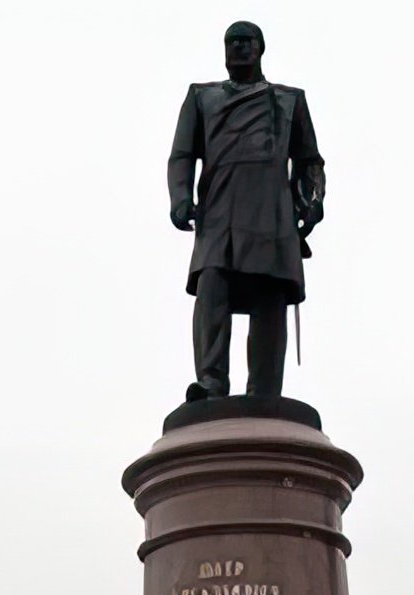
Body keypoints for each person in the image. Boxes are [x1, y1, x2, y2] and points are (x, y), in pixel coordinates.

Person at [168, 21, 325, 402]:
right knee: (212, 287)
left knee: (269, 295)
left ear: (260, 49)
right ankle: (211, 383)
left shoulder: (288, 100)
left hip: (272, 212)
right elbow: (183, 153)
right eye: (230, 43)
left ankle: (265, 391)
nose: (236, 49)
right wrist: (179, 197)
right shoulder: (201, 98)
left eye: (245, 42)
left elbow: (308, 160)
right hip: (219, 209)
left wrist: (311, 201)